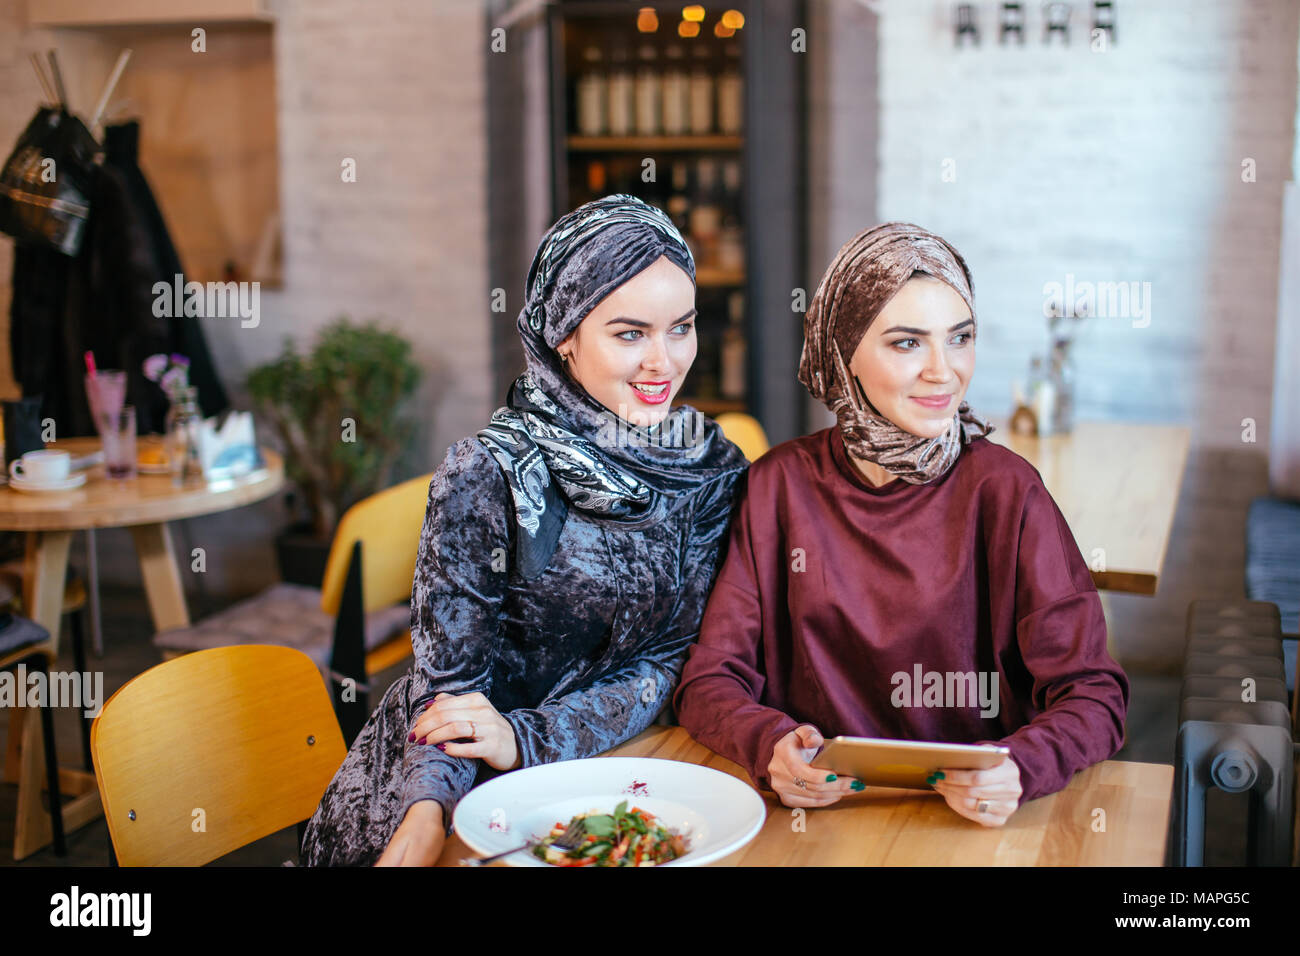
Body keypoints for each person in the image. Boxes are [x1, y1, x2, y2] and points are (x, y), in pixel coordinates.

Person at [300, 195, 747, 865]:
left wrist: (525, 737)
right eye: (630, 334)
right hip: (452, 782)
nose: (664, 362)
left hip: (605, 778)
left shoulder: (708, 469)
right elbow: (447, 691)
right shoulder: (488, 472)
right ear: (563, 335)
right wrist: (423, 821)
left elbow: (670, 663)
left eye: (679, 328)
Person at [673, 222, 1129, 828]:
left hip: (968, 825)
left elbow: (1094, 694)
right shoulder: (778, 486)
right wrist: (769, 745)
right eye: (907, 344)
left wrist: (1021, 762)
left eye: (959, 338)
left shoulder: (1005, 491)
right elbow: (709, 681)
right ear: (844, 353)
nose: (944, 372)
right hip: (815, 827)